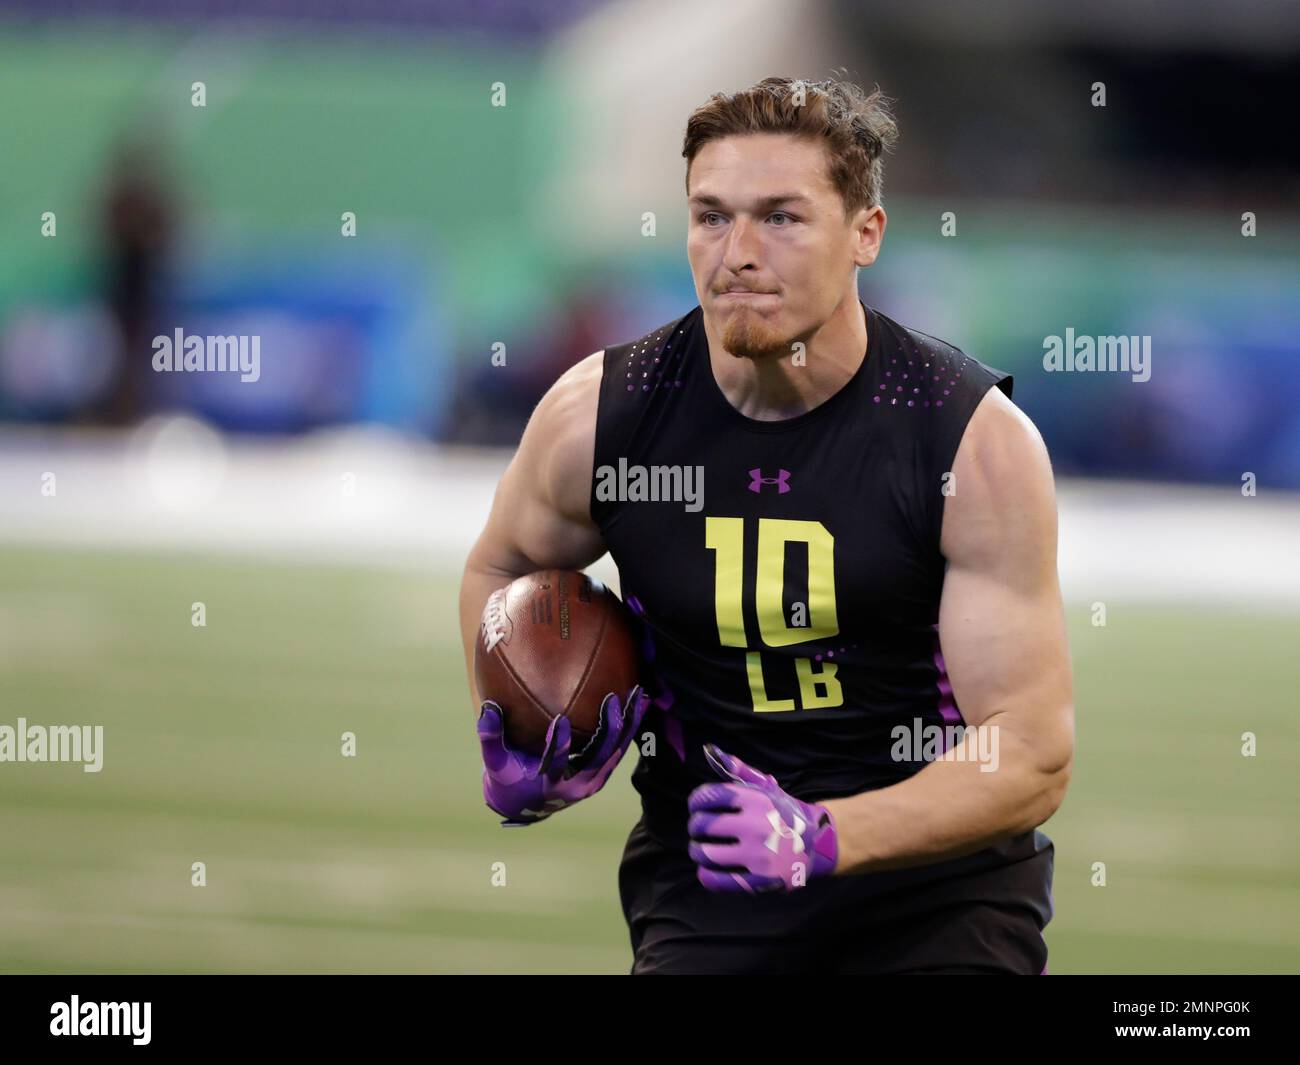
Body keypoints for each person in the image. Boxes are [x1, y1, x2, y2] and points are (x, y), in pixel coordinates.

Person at [459, 76, 1074, 974]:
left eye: (781, 217)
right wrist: (514, 720)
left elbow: (1030, 754)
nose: (737, 252)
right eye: (711, 216)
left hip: (938, 894)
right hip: (709, 879)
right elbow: (501, 566)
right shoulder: (602, 415)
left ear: (866, 233)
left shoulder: (965, 439)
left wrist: (825, 834)